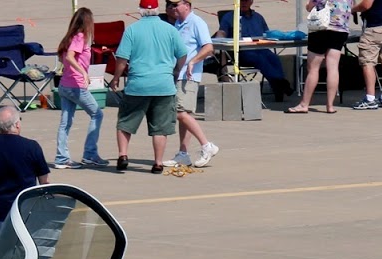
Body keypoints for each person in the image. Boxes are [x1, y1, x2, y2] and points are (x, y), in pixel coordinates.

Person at [111, 3, 188, 172]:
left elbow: (122, 59)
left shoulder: (132, 29)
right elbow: (182, 53)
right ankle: (158, 163)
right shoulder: (170, 30)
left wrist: (116, 78)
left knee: (125, 122)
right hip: (164, 85)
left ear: (140, 10)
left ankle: (123, 155)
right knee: (160, 127)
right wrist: (176, 70)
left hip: (138, 84)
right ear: (156, 10)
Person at [0, 106, 50, 231]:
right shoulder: (32, 147)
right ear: (17, 124)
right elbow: (45, 182)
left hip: (2, 210)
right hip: (26, 208)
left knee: (5, 248)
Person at [54, 7, 108, 168]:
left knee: (65, 122)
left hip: (65, 85)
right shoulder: (79, 37)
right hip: (75, 86)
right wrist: (83, 73)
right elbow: (70, 57)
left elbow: (65, 57)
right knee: (97, 114)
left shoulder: (69, 37)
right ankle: (90, 153)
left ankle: (61, 158)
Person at [167, 0, 219, 167]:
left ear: (187, 6)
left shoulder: (196, 22)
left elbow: (209, 48)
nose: (172, 8)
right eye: (170, 5)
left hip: (189, 76)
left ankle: (206, 145)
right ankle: (183, 153)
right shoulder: (177, 24)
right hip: (178, 75)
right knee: (184, 115)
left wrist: (192, 62)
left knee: (181, 113)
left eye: (176, 5)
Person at [217, 0, 293, 103]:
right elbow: (222, 32)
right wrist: (219, 38)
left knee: (274, 58)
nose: (243, 3)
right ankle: (280, 84)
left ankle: (278, 84)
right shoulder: (229, 17)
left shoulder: (258, 17)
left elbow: (266, 33)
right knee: (260, 59)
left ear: (251, 2)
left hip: (260, 48)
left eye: (246, 1)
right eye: (241, 1)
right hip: (242, 52)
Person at [289, 1, 353, 113]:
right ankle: (330, 105)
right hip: (340, 29)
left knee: (313, 69)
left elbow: (310, 6)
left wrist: (309, 5)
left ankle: (304, 104)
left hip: (321, 28)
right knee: (333, 68)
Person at [352, 0, 382, 111]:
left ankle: (370, 98)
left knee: (367, 62)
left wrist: (353, 9)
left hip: (374, 27)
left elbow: (366, 4)